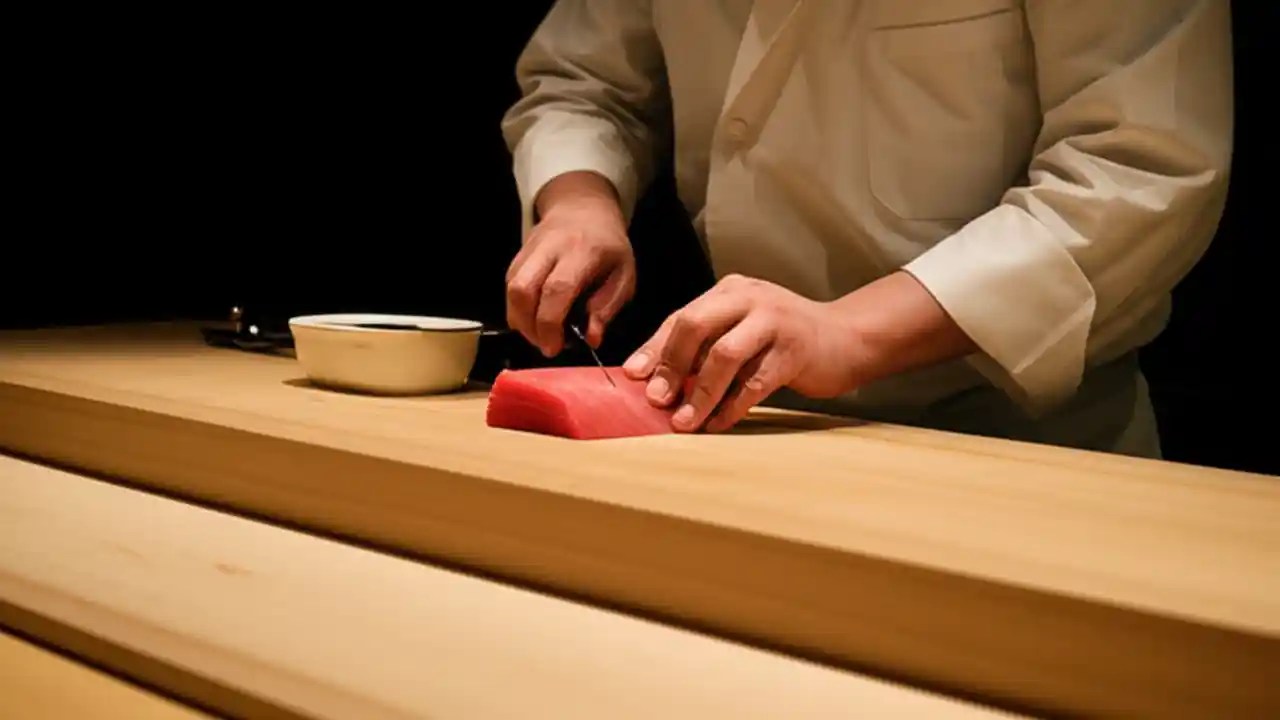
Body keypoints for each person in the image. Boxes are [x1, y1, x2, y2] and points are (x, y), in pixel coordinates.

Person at [499, 0, 1233, 457]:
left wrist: (846, 333)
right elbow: (583, 79)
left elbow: (1137, 170)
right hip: (753, 441)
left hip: (1018, 447)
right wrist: (578, 201)